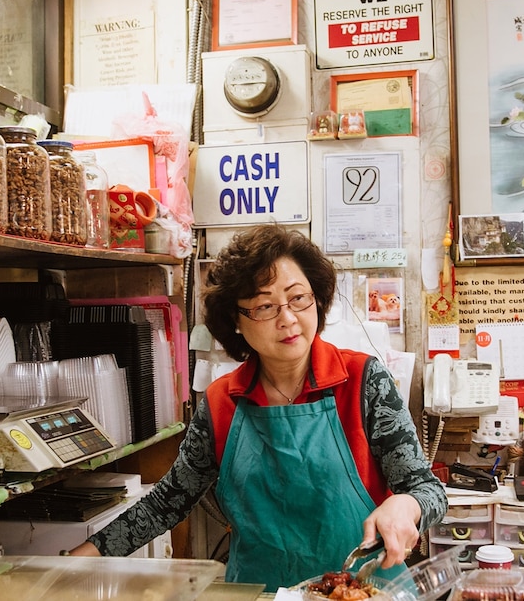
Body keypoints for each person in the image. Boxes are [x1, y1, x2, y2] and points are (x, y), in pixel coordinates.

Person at [67, 224, 447, 591]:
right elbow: (167, 501)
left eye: (298, 298)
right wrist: (79, 558)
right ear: (236, 320)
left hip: (365, 591)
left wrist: (407, 504)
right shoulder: (220, 403)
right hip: (261, 592)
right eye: (265, 306)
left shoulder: (363, 381)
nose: (288, 318)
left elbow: (427, 490)